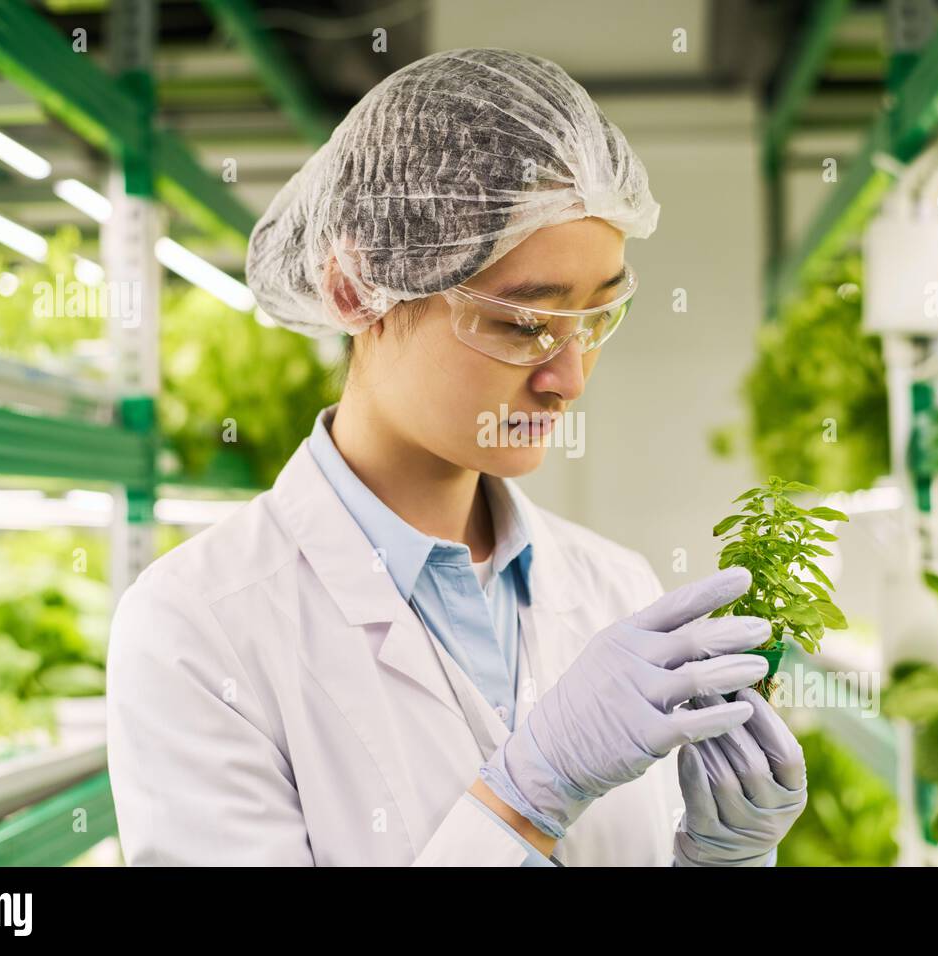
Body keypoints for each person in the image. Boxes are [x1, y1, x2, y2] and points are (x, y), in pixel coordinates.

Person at [106, 47, 807, 866]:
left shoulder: (616, 586)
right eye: (523, 324)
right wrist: (522, 802)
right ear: (353, 289)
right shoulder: (197, 629)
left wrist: (717, 863)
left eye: (598, 317)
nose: (568, 378)